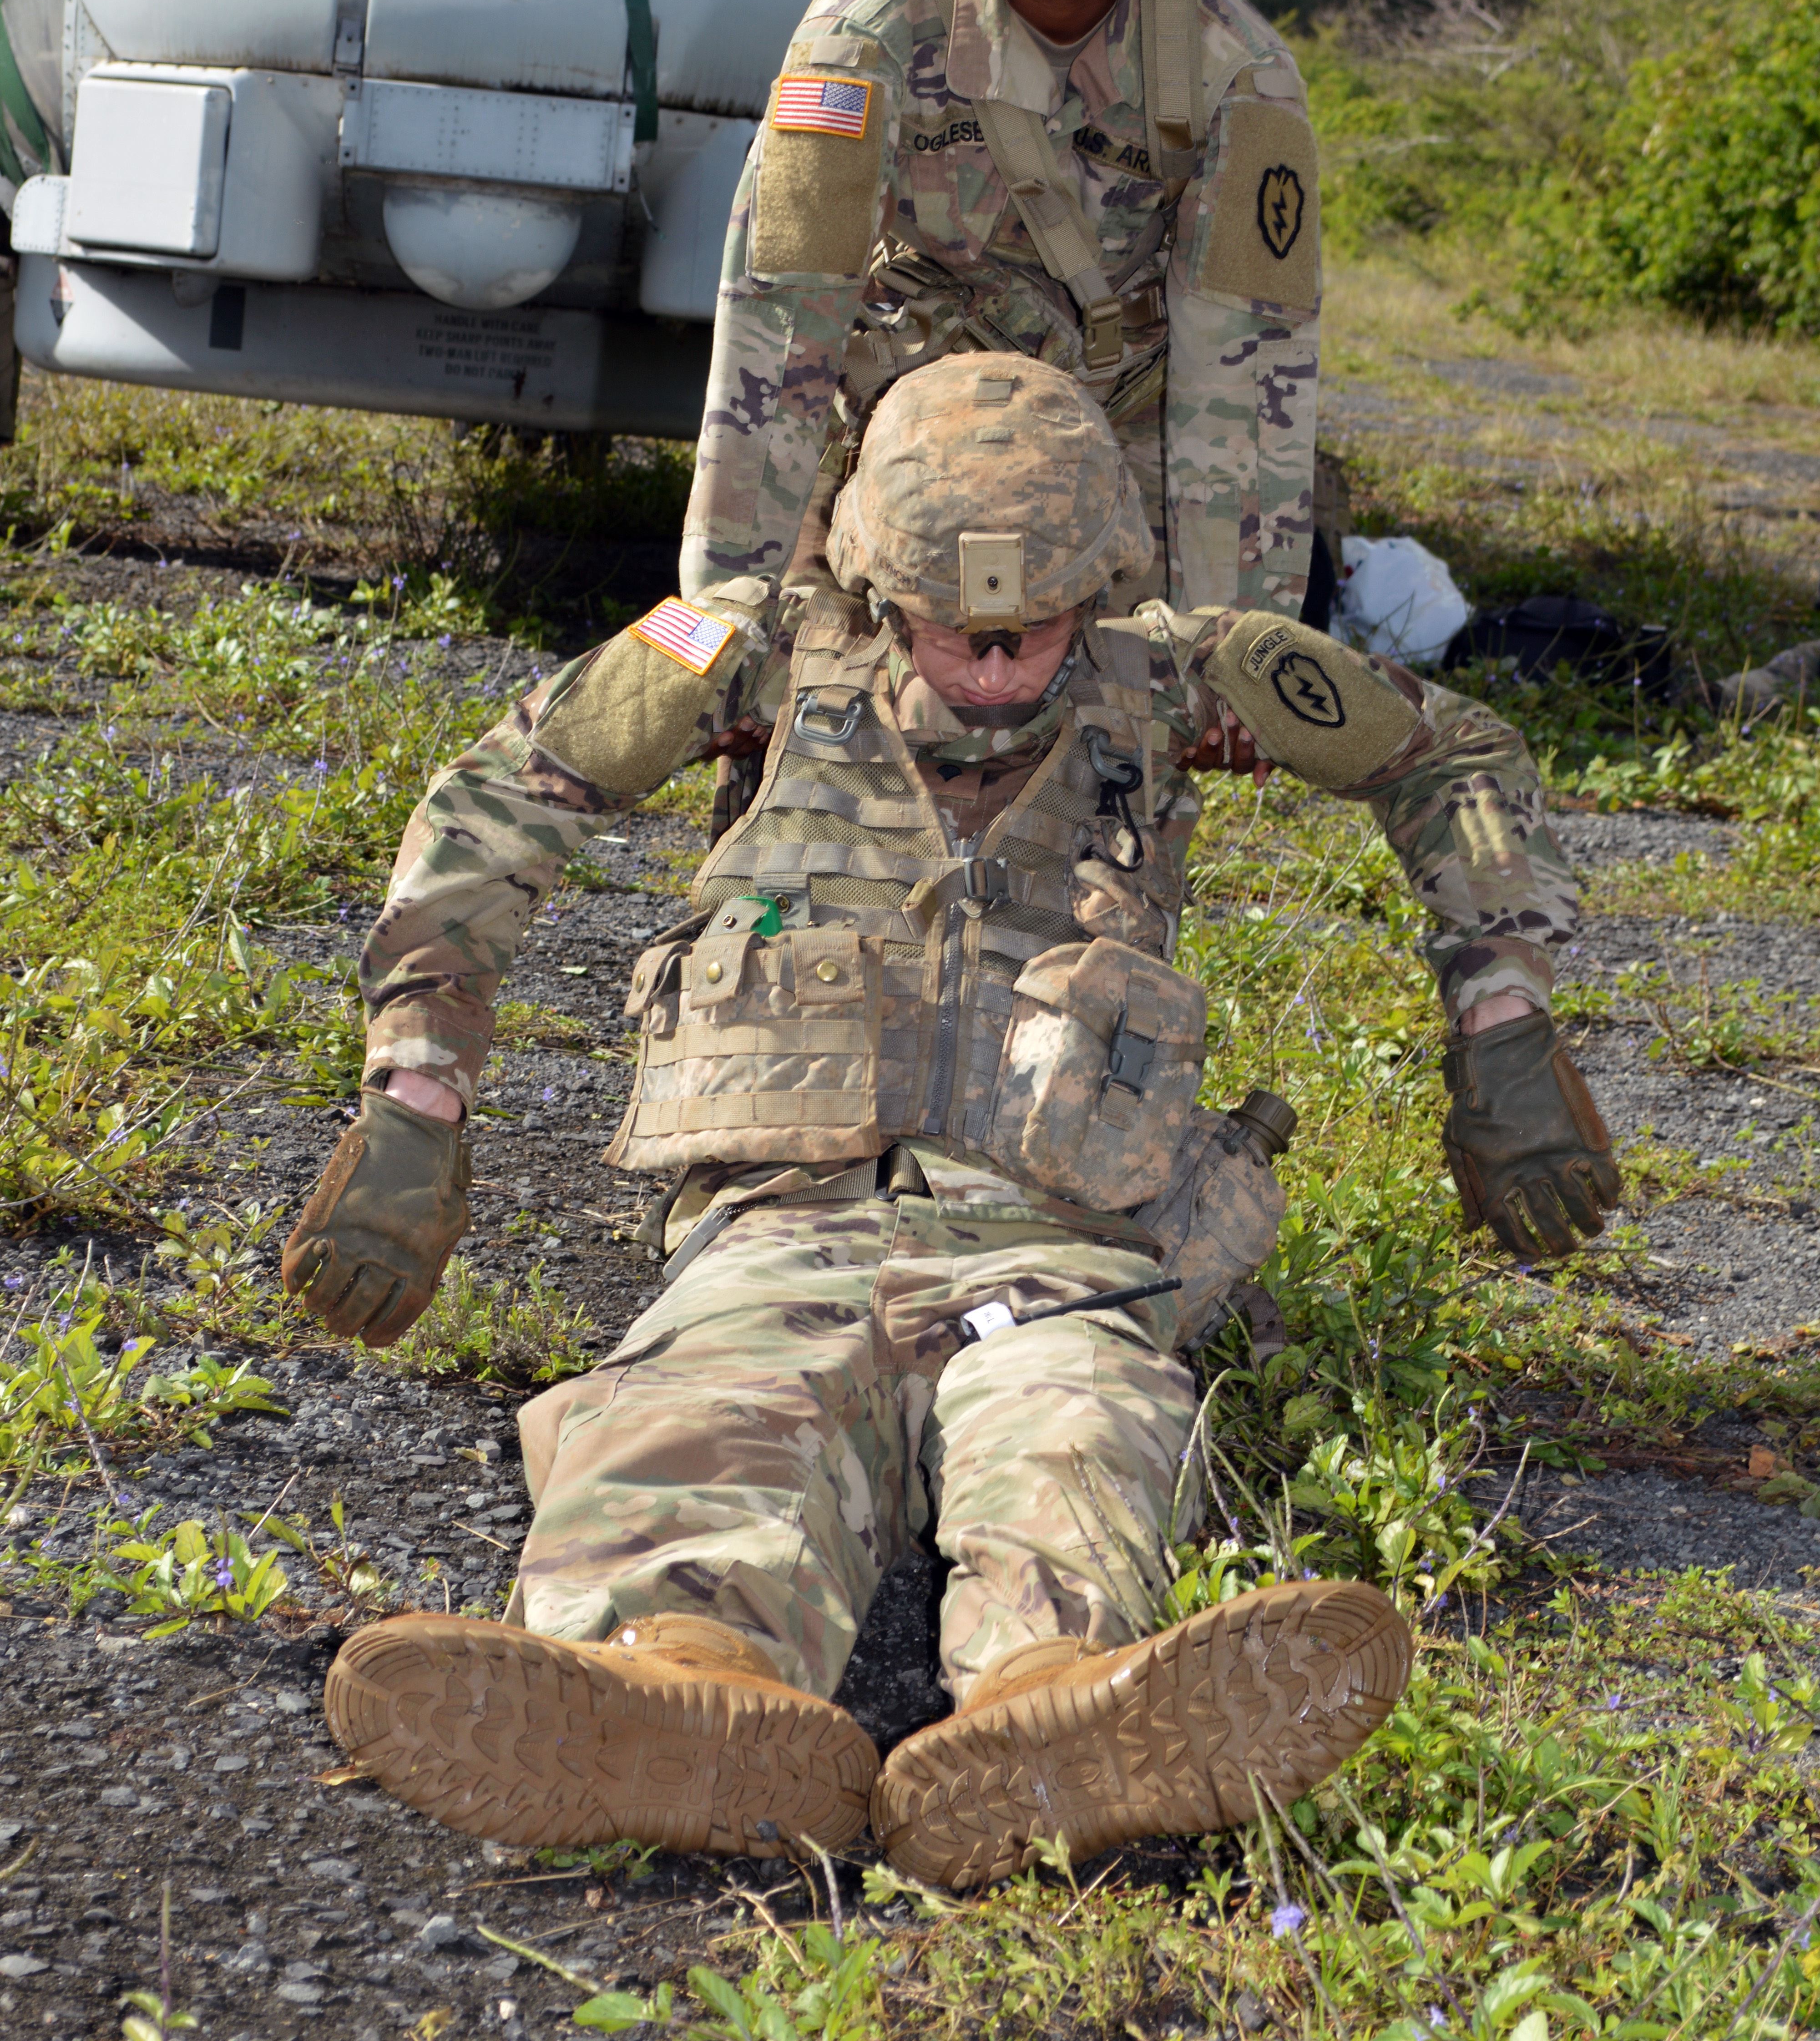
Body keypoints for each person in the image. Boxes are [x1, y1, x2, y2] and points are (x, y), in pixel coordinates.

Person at [283, 355, 1619, 1888]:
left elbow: (1450, 750)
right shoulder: (745, 649)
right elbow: (498, 796)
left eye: (1032, 631)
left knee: (1079, 1420)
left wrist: (1503, 1015)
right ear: (870, 577)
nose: (990, 669)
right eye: (950, 629)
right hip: (780, 1214)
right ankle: (682, 1677)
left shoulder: (1180, 669)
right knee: (707, 1408)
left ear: (1101, 582)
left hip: (1053, 1230)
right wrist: (419, 1085)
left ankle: (1058, 1707)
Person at [678, 0, 1324, 622]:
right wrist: (729, 613)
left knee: (1107, 754)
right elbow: (777, 340)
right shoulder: (868, 41)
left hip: (1113, 477)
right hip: (894, 461)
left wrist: (1227, 642)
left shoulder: (1233, 74)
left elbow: (1245, 386)